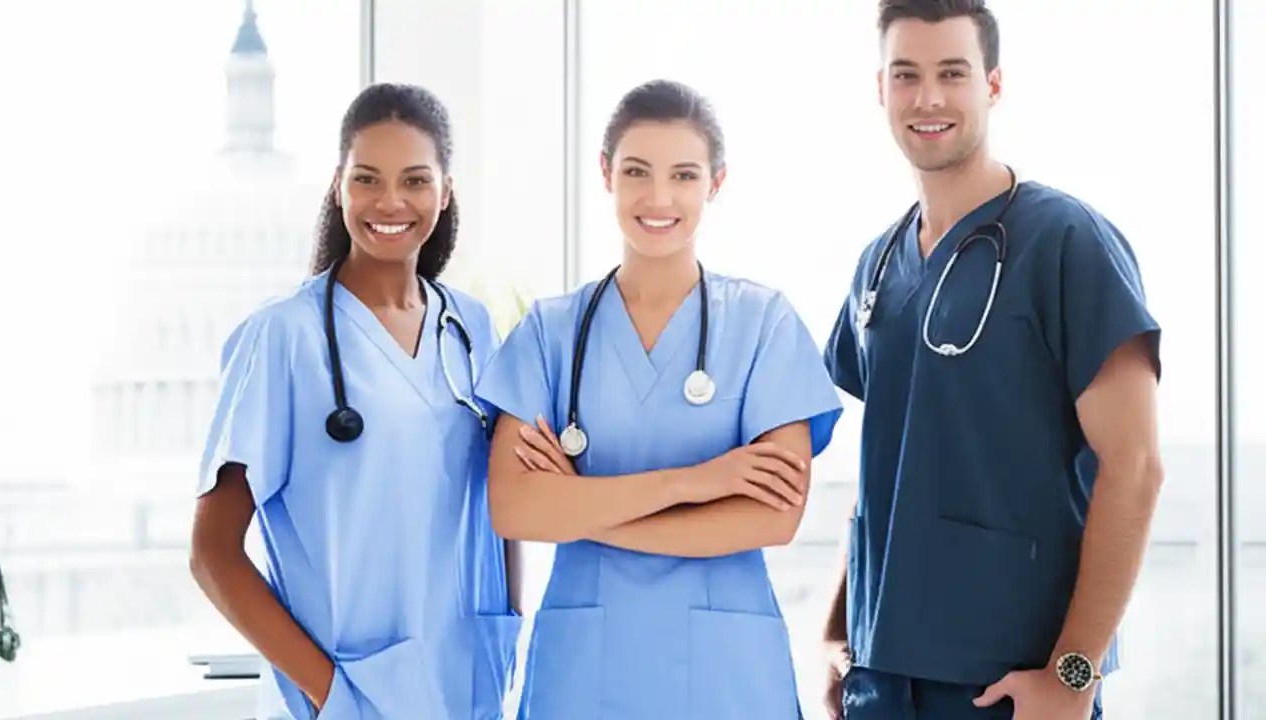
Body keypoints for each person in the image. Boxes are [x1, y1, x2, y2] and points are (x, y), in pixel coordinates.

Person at [820, 2, 1164, 719]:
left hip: (1008, 684)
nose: (929, 97)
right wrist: (837, 626)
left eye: (953, 72)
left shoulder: (1066, 243)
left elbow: (1134, 468)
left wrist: (1073, 675)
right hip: (880, 680)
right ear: (880, 89)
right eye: (906, 75)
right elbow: (889, 468)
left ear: (993, 86)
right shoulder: (877, 266)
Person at [473, 79, 842, 720]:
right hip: (584, 668)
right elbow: (513, 509)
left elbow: (773, 518)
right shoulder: (552, 333)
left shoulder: (764, 325)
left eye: (684, 174)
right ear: (606, 174)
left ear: (716, 183)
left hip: (727, 673)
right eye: (637, 171)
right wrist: (703, 480)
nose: (659, 197)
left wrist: (583, 510)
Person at [188, 82, 521, 720]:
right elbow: (211, 552)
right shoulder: (285, 335)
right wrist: (334, 696)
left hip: (466, 685)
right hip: (345, 699)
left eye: (415, 180)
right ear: (338, 185)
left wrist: (506, 625)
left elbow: (502, 500)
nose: (390, 202)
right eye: (367, 178)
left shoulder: (473, 328)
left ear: (445, 191)